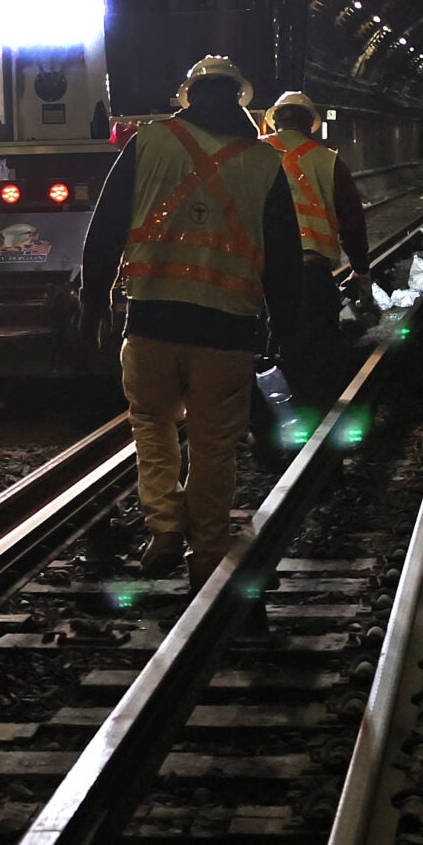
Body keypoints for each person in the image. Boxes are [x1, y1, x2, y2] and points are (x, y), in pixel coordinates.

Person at [81, 55, 303, 592]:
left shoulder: (148, 142)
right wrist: (287, 328)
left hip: (152, 319)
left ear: (189, 95)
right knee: (214, 445)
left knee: (151, 422)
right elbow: (284, 258)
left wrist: (94, 300)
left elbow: (106, 226)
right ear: (239, 99)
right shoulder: (264, 162)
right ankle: (206, 553)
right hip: (227, 329)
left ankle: (163, 526)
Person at [261, 89, 375, 402]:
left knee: (272, 340)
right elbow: (352, 223)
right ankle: (316, 406)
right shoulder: (329, 161)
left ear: (275, 121)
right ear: (310, 123)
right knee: (318, 343)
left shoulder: (253, 153)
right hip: (311, 271)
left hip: (265, 271)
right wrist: (361, 270)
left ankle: (276, 406)